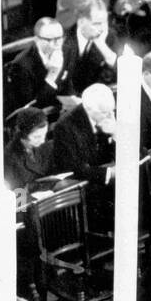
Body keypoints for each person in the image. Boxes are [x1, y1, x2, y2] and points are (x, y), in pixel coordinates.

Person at [50, 81, 115, 227]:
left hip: (103, 181)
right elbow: (74, 168)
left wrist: (116, 134)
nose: (111, 115)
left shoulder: (107, 112)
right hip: (84, 188)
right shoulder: (66, 127)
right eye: (106, 112)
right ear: (89, 109)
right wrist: (109, 173)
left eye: (112, 110)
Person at [5, 16, 74, 115]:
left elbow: (67, 83)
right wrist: (52, 74)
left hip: (60, 110)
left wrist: (72, 99)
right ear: (37, 39)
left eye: (60, 38)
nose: (57, 44)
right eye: (50, 40)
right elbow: (29, 107)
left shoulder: (65, 50)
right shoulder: (21, 65)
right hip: (37, 117)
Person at [62, 0, 119, 93]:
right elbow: (64, 79)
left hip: (96, 96)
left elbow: (120, 72)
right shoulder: (64, 39)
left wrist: (102, 46)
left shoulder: (109, 37)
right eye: (96, 23)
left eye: (104, 22)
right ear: (81, 22)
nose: (102, 28)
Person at [4, 106, 55, 190]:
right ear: (23, 134)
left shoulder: (44, 145)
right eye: (36, 137)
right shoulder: (9, 157)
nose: (42, 141)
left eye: (44, 135)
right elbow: (16, 191)